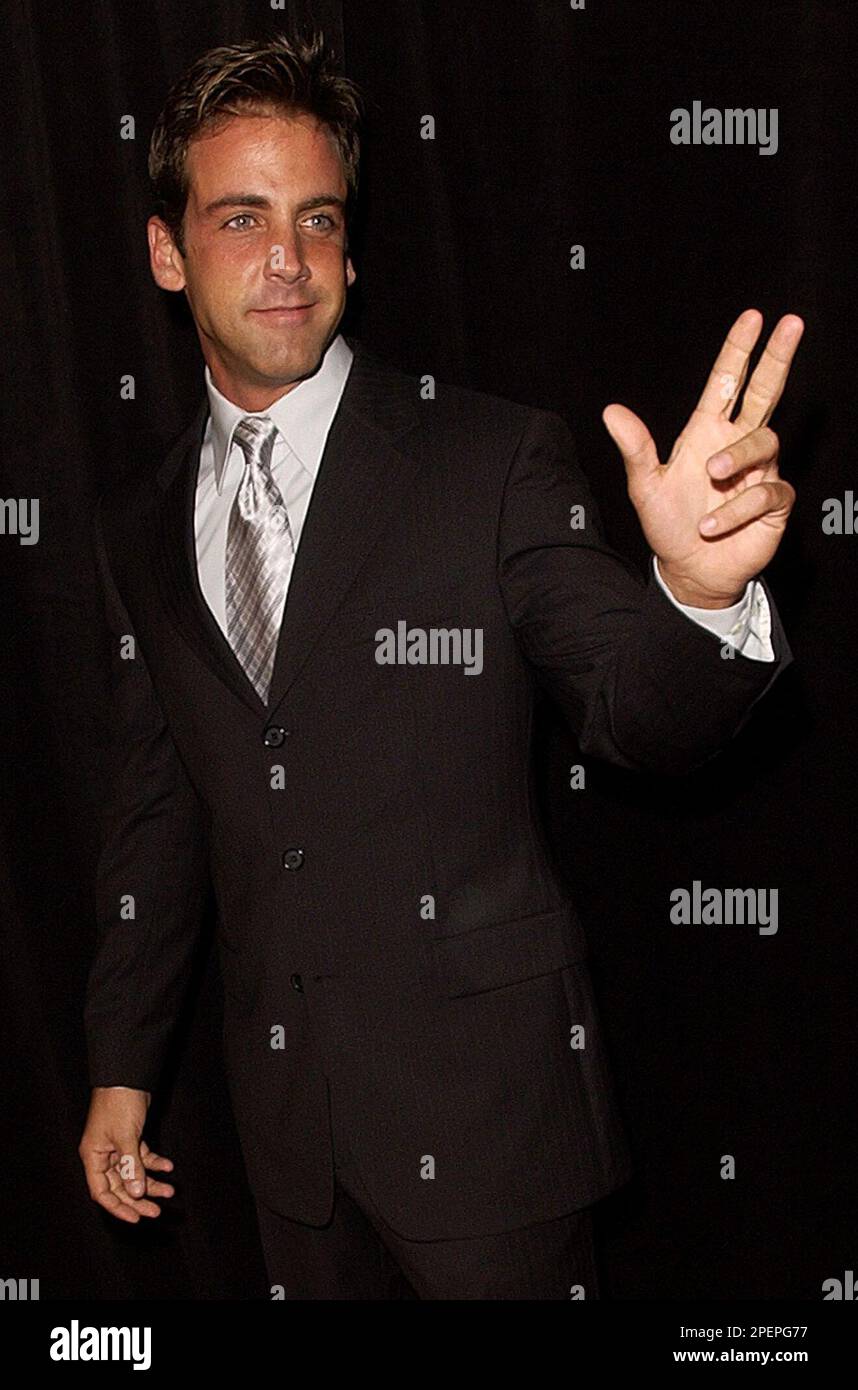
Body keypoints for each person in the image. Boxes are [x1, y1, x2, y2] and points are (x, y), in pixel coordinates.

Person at [78, 30, 803, 1300]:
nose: (287, 259)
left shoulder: (488, 458)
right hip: (290, 1149)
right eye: (241, 218)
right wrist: (122, 1067)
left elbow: (637, 713)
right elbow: (164, 809)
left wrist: (695, 593)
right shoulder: (138, 527)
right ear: (165, 249)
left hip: (492, 1140)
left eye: (317, 218)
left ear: (352, 248)